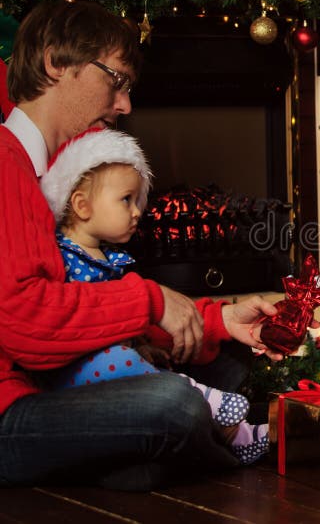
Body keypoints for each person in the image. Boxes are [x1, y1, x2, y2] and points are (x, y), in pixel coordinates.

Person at [0, 0, 281, 490]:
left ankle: (139, 464)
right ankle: (215, 446)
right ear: (56, 64)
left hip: (57, 383)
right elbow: (27, 324)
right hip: (12, 412)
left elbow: (88, 321)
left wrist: (215, 320)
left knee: (228, 363)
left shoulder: (50, 175)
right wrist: (150, 299)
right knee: (173, 405)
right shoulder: (7, 167)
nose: (124, 104)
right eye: (116, 79)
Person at [38, 126, 268, 465]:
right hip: (73, 376)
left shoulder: (110, 260)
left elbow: (116, 323)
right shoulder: (63, 258)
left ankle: (238, 434)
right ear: (82, 206)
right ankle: (207, 404)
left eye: (138, 200)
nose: (137, 211)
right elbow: (77, 323)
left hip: (112, 367)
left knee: (184, 363)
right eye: (126, 200)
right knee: (148, 377)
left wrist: (143, 345)